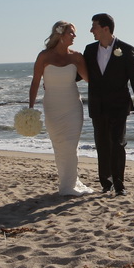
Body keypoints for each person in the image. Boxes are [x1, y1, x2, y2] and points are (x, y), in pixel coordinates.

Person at [82, 13, 134, 196]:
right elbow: (79, 73)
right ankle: (106, 183)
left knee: (118, 144)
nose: (91, 30)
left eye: (93, 26)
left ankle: (119, 185)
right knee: (102, 144)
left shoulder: (125, 49)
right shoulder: (89, 49)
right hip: (97, 105)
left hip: (119, 105)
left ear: (105, 28)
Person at [29, 21, 94, 197]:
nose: (74, 36)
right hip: (52, 106)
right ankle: (66, 182)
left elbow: (90, 80)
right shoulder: (44, 56)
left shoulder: (77, 57)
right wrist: (30, 107)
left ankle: (69, 186)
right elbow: (35, 82)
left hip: (73, 106)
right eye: (71, 33)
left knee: (71, 145)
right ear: (60, 35)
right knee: (59, 145)